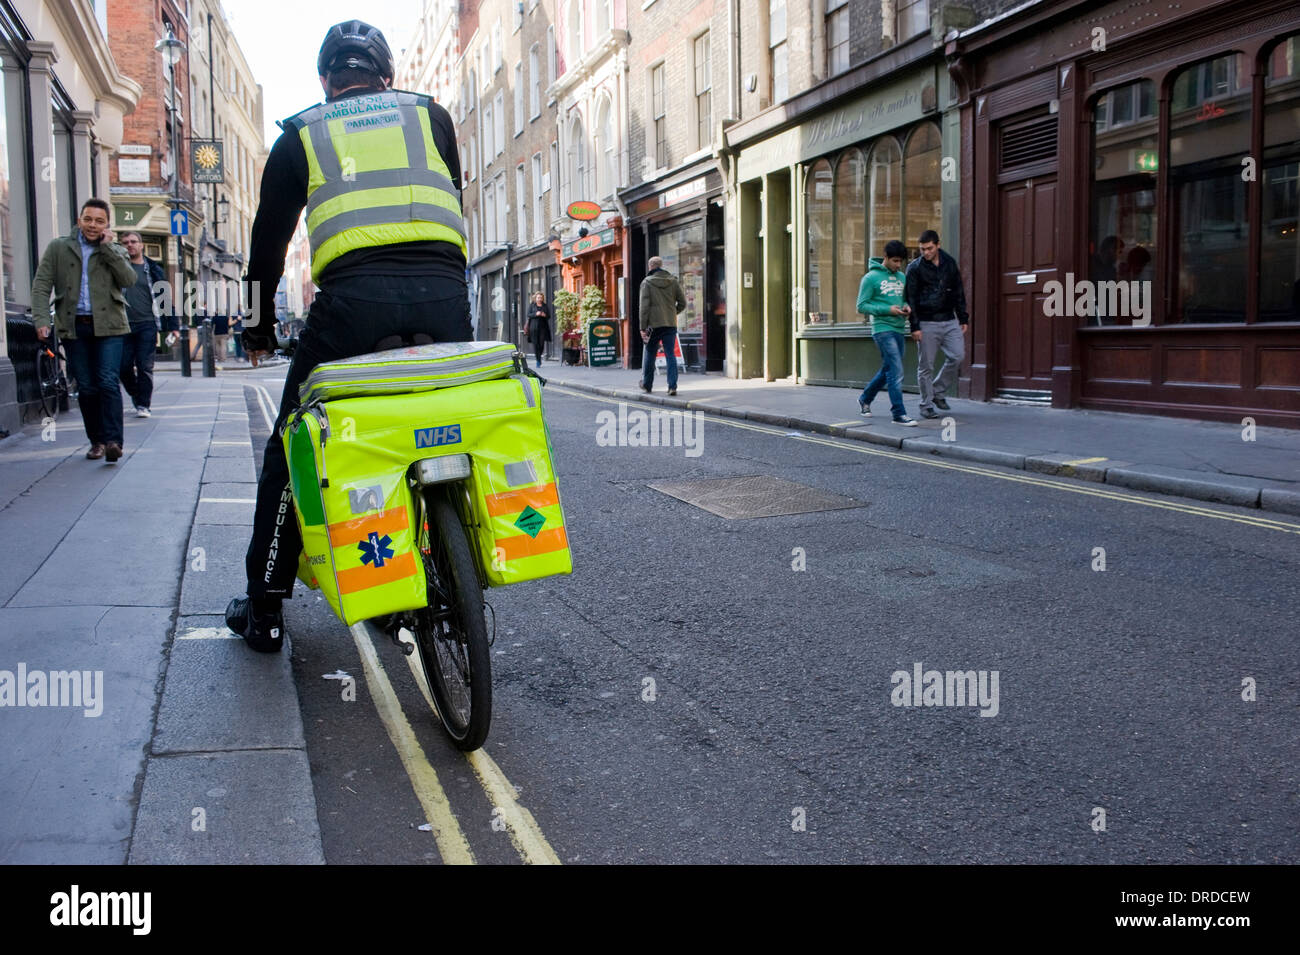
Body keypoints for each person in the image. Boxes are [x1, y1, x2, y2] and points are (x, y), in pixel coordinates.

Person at [226, 19, 472, 653]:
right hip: (445, 299)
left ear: (325, 78)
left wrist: (256, 330)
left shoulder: (301, 135)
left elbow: (268, 249)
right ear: (387, 73)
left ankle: (265, 608)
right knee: (434, 421)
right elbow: (453, 199)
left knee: (293, 446)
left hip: (351, 312)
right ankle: (423, 569)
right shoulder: (432, 118)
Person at [30, 198, 137, 461]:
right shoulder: (58, 248)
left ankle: (114, 441)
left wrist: (108, 248)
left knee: (108, 382)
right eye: (88, 219)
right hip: (75, 326)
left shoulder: (113, 248)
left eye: (99, 221)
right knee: (87, 386)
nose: (92, 225)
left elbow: (128, 279)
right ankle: (97, 441)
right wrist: (42, 319)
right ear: (79, 220)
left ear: (107, 225)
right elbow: (42, 285)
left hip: (110, 327)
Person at [905, 230, 968, 420]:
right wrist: (914, 326)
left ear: (938, 245)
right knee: (926, 366)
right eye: (922, 249)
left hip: (949, 320)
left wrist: (963, 318)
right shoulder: (914, 268)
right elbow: (910, 299)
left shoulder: (949, 263)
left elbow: (958, 291)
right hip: (926, 322)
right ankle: (926, 405)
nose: (925, 252)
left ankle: (938, 392)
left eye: (929, 248)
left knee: (958, 356)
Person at [856, 240, 917, 426]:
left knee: (888, 369)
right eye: (895, 261)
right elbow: (861, 306)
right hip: (882, 329)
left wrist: (906, 307)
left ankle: (865, 398)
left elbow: (905, 299)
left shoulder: (902, 277)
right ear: (886, 258)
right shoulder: (870, 278)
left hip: (899, 328)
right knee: (896, 370)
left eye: (901, 262)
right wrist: (887, 310)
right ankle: (898, 413)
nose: (898, 265)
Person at [118, 231, 168, 417]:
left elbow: (164, 298)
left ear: (141, 246)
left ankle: (143, 405)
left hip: (147, 323)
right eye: (125, 243)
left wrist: (172, 326)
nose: (129, 245)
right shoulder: (118, 268)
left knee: (145, 366)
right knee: (123, 366)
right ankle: (137, 395)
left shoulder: (153, 269)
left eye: (133, 242)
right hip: (122, 325)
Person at [638, 255, 686, 396]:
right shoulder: (673, 281)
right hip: (670, 324)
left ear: (650, 267)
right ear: (661, 265)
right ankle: (672, 386)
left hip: (653, 325)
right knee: (670, 354)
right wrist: (672, 314)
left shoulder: (647, 282)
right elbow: (682, 303)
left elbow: (644, 308)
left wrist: (642, 327)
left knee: (650, 353)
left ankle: (647, 385)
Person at [525, 291, 551, 365]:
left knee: (541, 343)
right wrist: (536, 314)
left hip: (543, 328)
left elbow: (549, 316)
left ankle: (539, 356)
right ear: (535, 298)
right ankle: (538, 360)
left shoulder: (545, 306)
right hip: (533, 327)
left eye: (541, 298)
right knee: (535, 344)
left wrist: (544, 315)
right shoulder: (532, 305)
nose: (540, 299)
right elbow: (528, 314)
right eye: (538, 297)